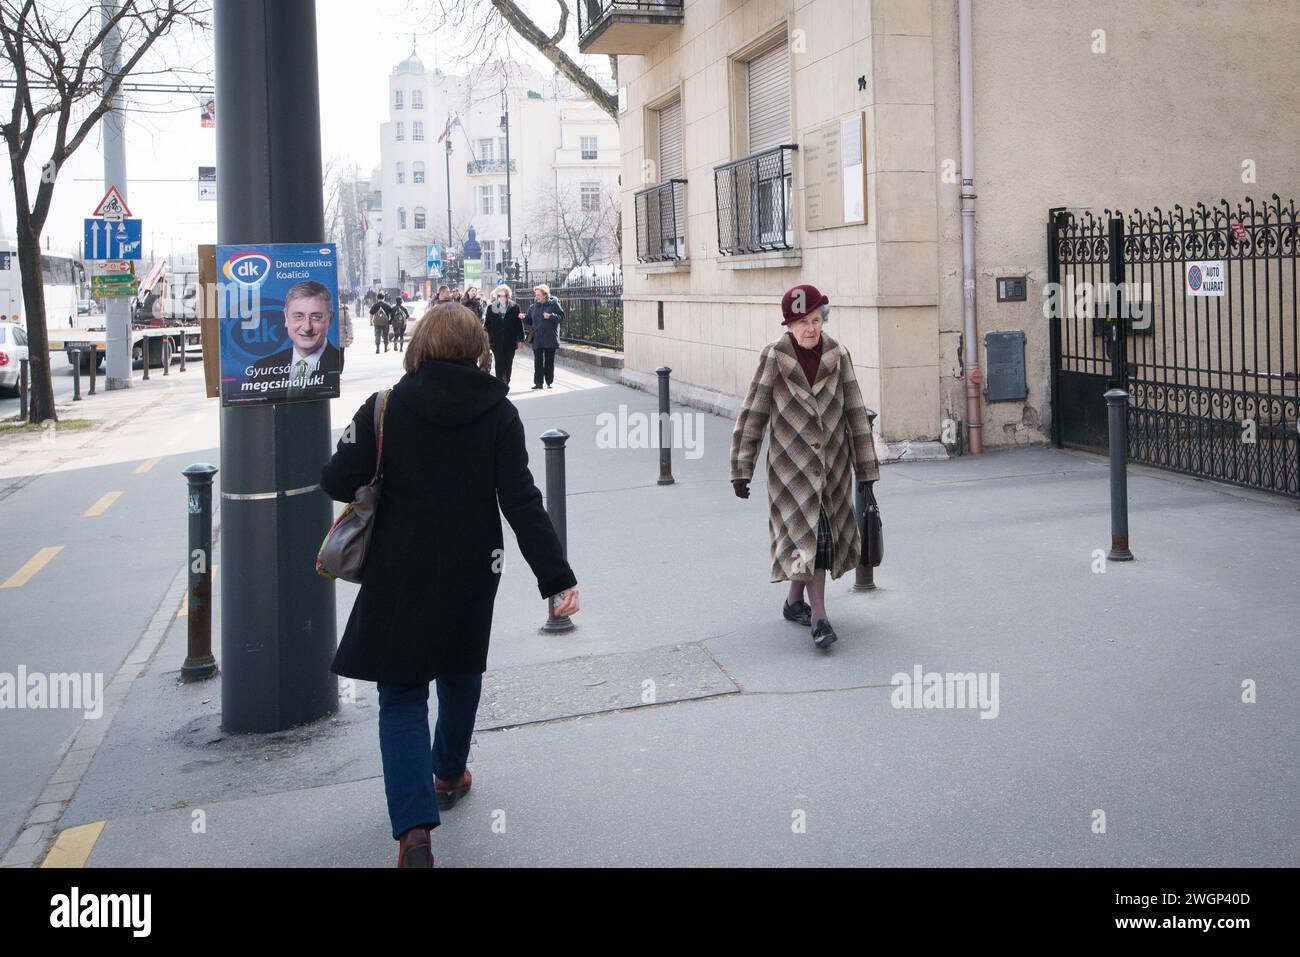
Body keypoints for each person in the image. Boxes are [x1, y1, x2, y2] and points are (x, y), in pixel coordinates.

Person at [320, 301, 581, 868]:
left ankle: (414, 832)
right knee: (461, 671)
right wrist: (556, 579)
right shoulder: (499, 412)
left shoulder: (386, 406)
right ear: (478, 349)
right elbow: (521, 501)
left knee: (402, 692)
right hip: (473, 565)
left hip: (398, 566)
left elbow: (336, 479)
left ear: (420, 346)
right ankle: (449, 772)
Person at [729, 284, 880, 651]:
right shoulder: (774, 358)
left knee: (816, 542)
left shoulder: (838, 356)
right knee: (809, 539)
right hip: (791, 474)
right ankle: (819, 618)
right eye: (801, 323)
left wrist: (866, 471)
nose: (810, 329)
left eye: (815, 320)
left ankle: (794, 602)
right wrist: (741, 468)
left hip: (833, 470)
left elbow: (855, 413)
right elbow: (753, 414)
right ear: (789, 326)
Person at [245, 279, 341, 401]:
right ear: (286, 317)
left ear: (330, 319)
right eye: (298, 316)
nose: (307, 327)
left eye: (316, 317)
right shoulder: (262, 367)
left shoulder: (337, 364)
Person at [524, 283, 563, 390]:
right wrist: (524, 317)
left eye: (538, 295)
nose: (536, 297)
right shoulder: (533, 307)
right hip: (537, 338)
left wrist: (550, 316)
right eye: (536, 295)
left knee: (549, 361)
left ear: (545, 295)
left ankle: (549, 382)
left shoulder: (554, 304)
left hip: (550, 337)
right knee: (538, 361)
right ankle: (538, 383)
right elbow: (530, 321)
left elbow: (561, 317)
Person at [483, 284, 524, 386]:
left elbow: (519, 325)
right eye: (499, 296)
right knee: (499, 362)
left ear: (508, 295)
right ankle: (500, 383)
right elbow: (487, 324)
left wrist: (521, 339)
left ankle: (507, 380)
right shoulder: (492, 307)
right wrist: (487, 337)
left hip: (510, 340)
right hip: (496, 340)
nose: (502, 298)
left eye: (504, 295)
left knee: (508, 362)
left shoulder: (514, 307)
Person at [340, 302, 354, 372]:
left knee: (340, 354)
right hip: (331, 337)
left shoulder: (344, 311)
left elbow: (349, 324)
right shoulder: (326, 308)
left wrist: (350, 337)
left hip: (341, 337)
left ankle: (339, 371)